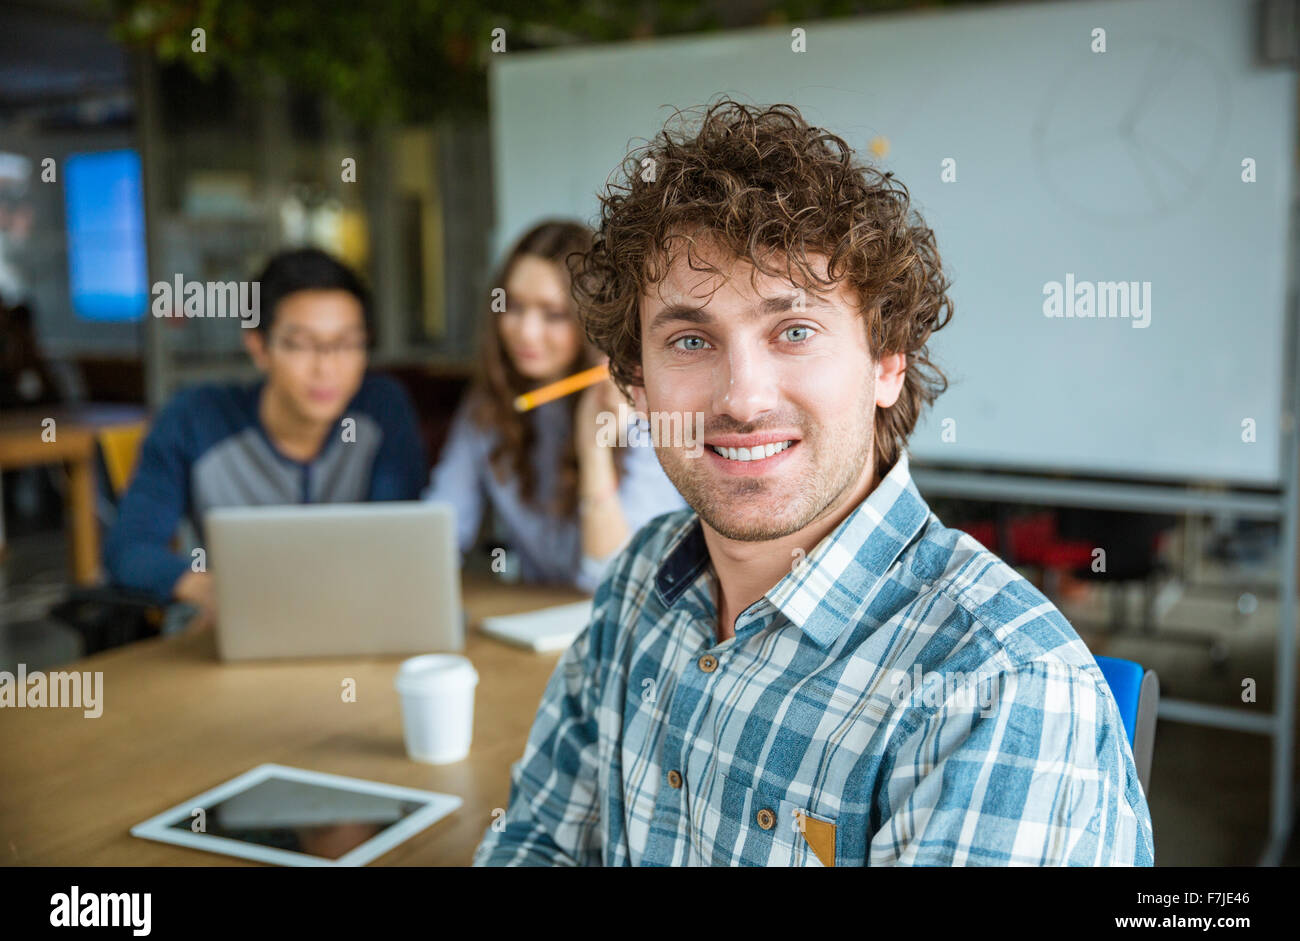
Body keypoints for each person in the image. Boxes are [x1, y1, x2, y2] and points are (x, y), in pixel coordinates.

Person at [473, 100, 1154, 866]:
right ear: (635, 385)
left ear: (887, 362)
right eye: (690, 339)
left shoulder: (1000, 688)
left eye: (794, 331)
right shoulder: (640, 584)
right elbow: (534, 844)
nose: (743, 397)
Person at [104, 248, 425, 624]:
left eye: (347, 344)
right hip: (233, 628)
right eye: (301, 344)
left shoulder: (381, 411)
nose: (326, 367)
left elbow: (395, 538)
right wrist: (209, 589)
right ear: (259, 346)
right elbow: (129, 549)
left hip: (357, 625)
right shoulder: (196, 419)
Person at [422, 220, 686, 593]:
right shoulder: (487, 404)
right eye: (513, 306)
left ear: (591, 320)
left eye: (553, 314)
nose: (526, 331)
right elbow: (443, 529)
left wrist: (594, 451)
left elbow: (613, 581)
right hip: (535, 622)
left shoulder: (634, 404)